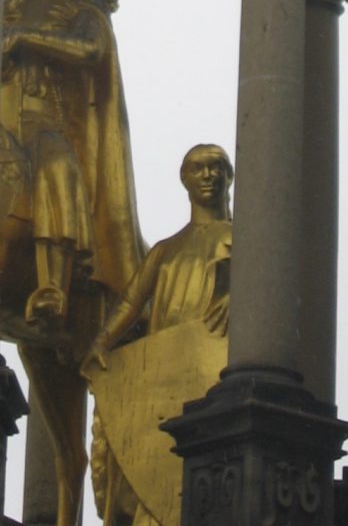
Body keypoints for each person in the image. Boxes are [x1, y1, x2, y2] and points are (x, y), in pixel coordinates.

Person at [0, 0, 143, 324]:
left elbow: (91, 48)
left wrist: (27, 38)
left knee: (55, 164)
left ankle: (52, 285)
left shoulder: (79, 7)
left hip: (45, 125)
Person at [81, 145, 233, 526]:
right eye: (198, 168)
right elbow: (131, 303)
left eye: (217, 168)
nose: (208, 175)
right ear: (184, 179)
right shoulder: (166, 251)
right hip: (163, 381)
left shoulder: (243, 241)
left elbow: (268, 292)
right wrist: (101, 342)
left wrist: (241, 299)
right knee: (152, 476)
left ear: (230, 177)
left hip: (214, 373)